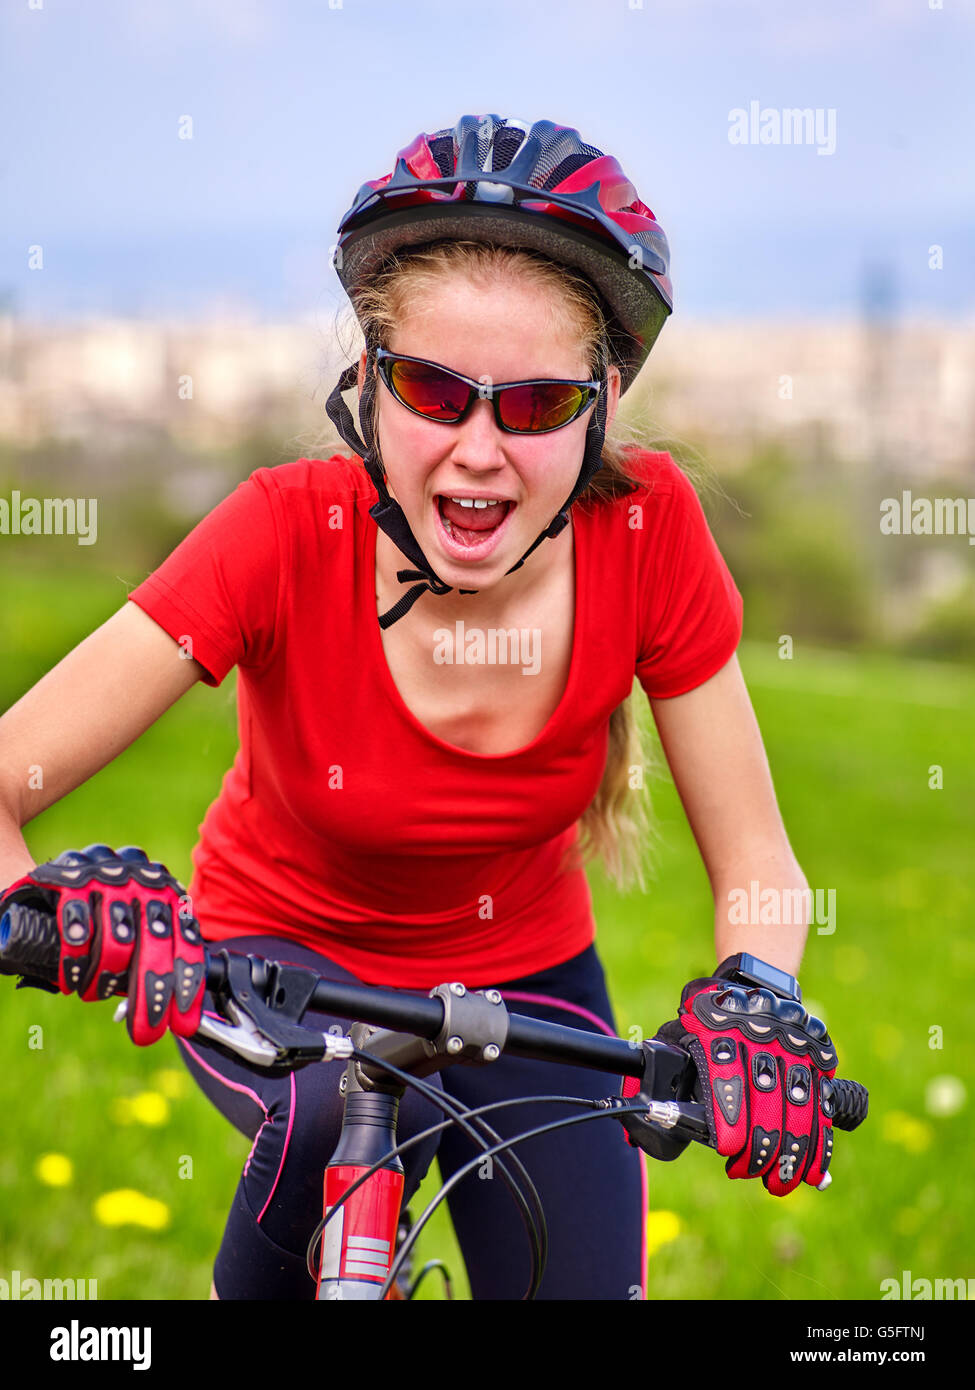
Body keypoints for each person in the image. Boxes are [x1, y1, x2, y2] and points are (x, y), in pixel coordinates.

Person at [0, 114, 838, 1301]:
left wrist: (762, 995)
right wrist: (42, 901)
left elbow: (759, 857)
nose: (479, 451)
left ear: (601, 407)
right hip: (280, 966)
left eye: (536, 406)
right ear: (367, 390)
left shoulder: (649, 530)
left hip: (529, 981)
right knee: (314, 1129)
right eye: (434, 390)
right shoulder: (283, 529)